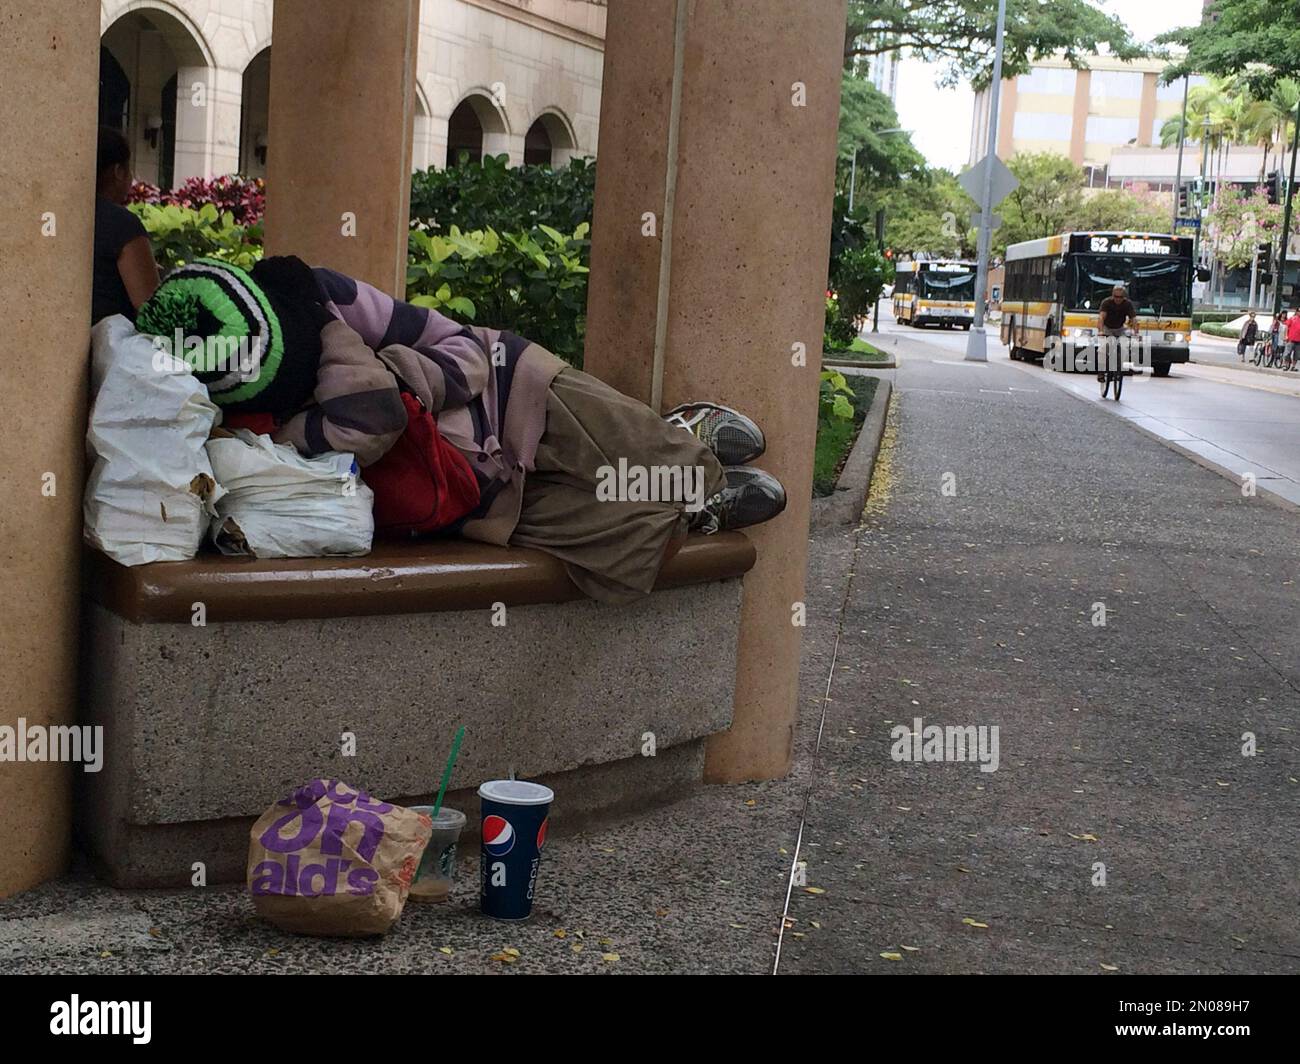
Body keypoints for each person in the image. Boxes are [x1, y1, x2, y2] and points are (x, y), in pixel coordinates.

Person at [135, 256, 787, 604]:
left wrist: (388, 374)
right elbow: (364, 429)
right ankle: (691, 510)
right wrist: (345, 412)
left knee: (669, 464)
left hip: (518, 394)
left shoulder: (325, 298)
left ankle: (690, 447)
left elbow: (461, 354)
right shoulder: (238, 419)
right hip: (475, 499)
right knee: (619, 553)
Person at [93, 126, 159, 324]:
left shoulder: (62, 215)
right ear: (118, 172)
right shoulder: (122, 225)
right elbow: (150, 309)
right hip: (105, 349)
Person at [1096, 284, 1137, 374]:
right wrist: (1101, 331)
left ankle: (1119, 368)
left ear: (1124, 297)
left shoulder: (1127, 304)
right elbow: (1101, 317)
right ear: (1112, 295)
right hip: (1107, 328)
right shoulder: (1106, 302)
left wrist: (1136, 333)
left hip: (1120, 328)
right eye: (1116, 297)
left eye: (1120, 297)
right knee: (1103, 348)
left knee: (1124, 347)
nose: (1118, 299)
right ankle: (1101, 372)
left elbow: (1133, 319)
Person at [1286, 305, 1300, 371]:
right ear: (1297, 312)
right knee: (1288, 352)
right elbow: (1286, 327)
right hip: (1291, 339)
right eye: (1299, 311)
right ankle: (1286, 365)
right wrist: (1286, 335)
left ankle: (1293, 366)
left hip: (1298, 340)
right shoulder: (1292, 318)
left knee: (1296, 354)